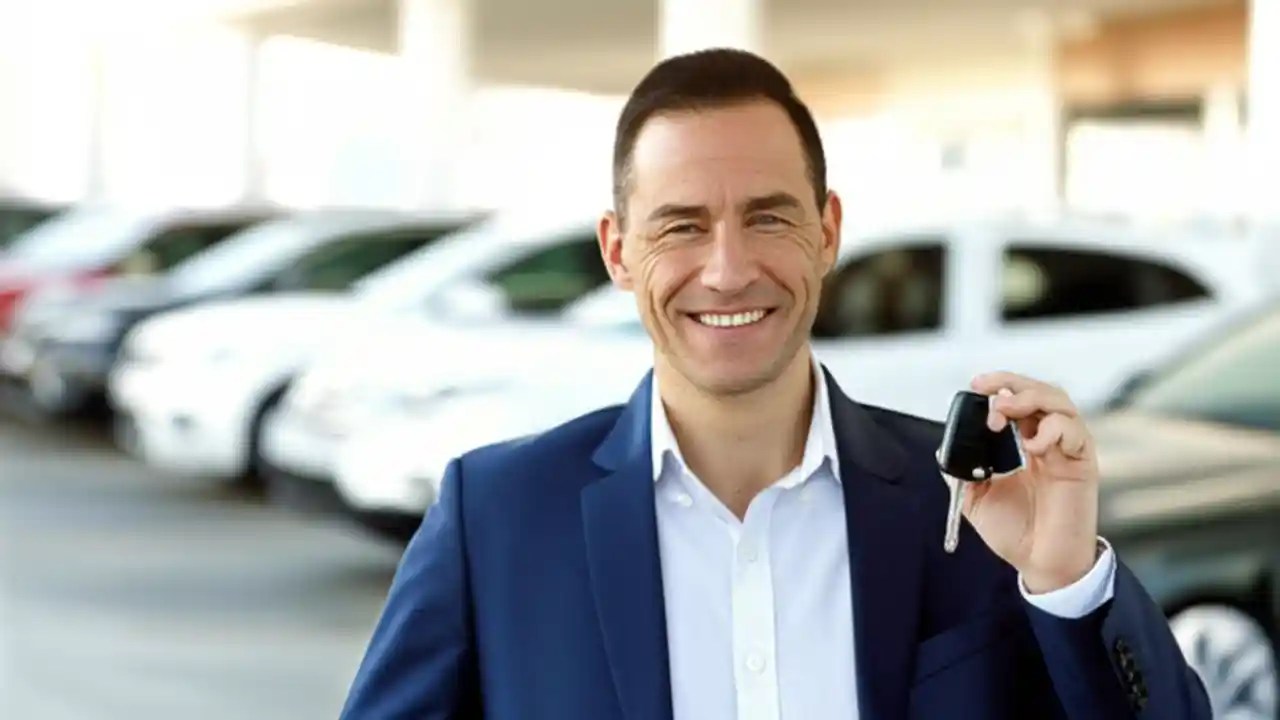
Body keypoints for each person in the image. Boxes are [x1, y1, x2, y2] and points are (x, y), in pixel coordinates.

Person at [340, 49, 1211, 719]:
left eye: (768, 217)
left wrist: (1063, 579)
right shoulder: (495, 517)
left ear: (827, 232)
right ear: (617, 250)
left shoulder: (973, 513)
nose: (727, 270)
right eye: (682, 226)